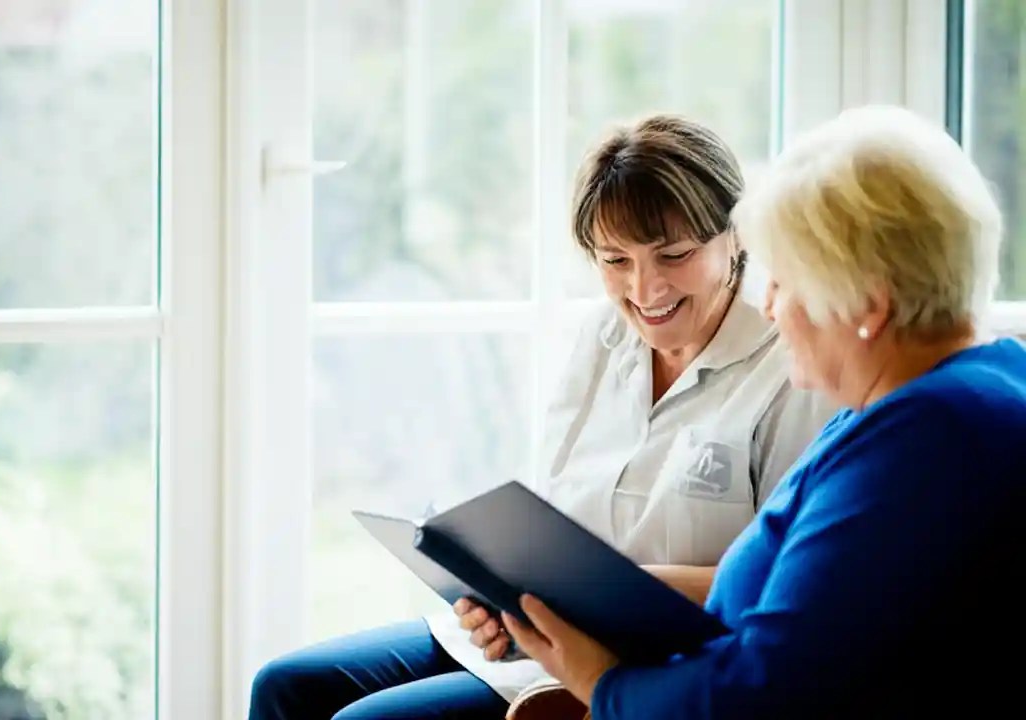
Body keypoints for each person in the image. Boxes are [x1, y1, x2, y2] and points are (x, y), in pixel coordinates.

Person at [248, 115, 833, 719]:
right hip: (539, 629)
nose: (645, 288)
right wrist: (492, 591)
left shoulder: (793, 365)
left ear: (736, 235)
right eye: (615, 260)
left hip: (646, 662)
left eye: (675, 255)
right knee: (284, 686)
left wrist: (590, 597)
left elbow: (784, 580)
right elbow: (552, 515)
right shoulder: (603, 336)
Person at [502, 104, 1026, 719]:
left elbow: (766, 691)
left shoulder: (932, 434)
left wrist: (604, 685)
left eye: (786, 282)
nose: (769, 307)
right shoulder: (934, 399)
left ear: (870, 306)